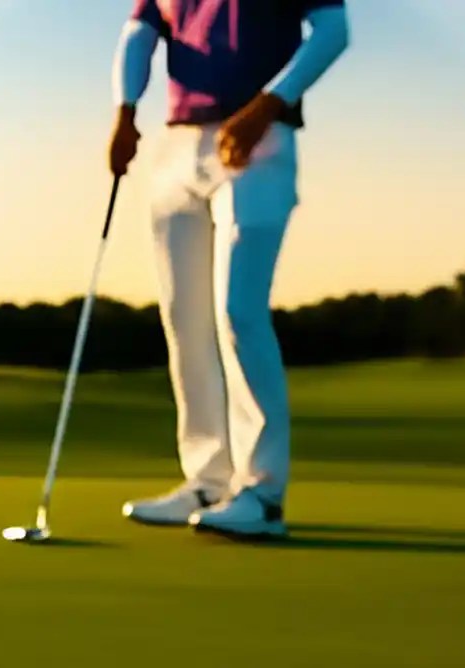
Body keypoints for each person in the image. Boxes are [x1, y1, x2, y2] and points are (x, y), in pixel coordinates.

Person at [112, 0, 350, 538]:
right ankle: (207, 479)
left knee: (238, 312)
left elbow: (334, 31)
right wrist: (124, 111)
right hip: (178, 147)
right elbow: (139, 34)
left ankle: (262, 494)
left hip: (257, 141)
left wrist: (269, 104)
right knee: (184, 318)